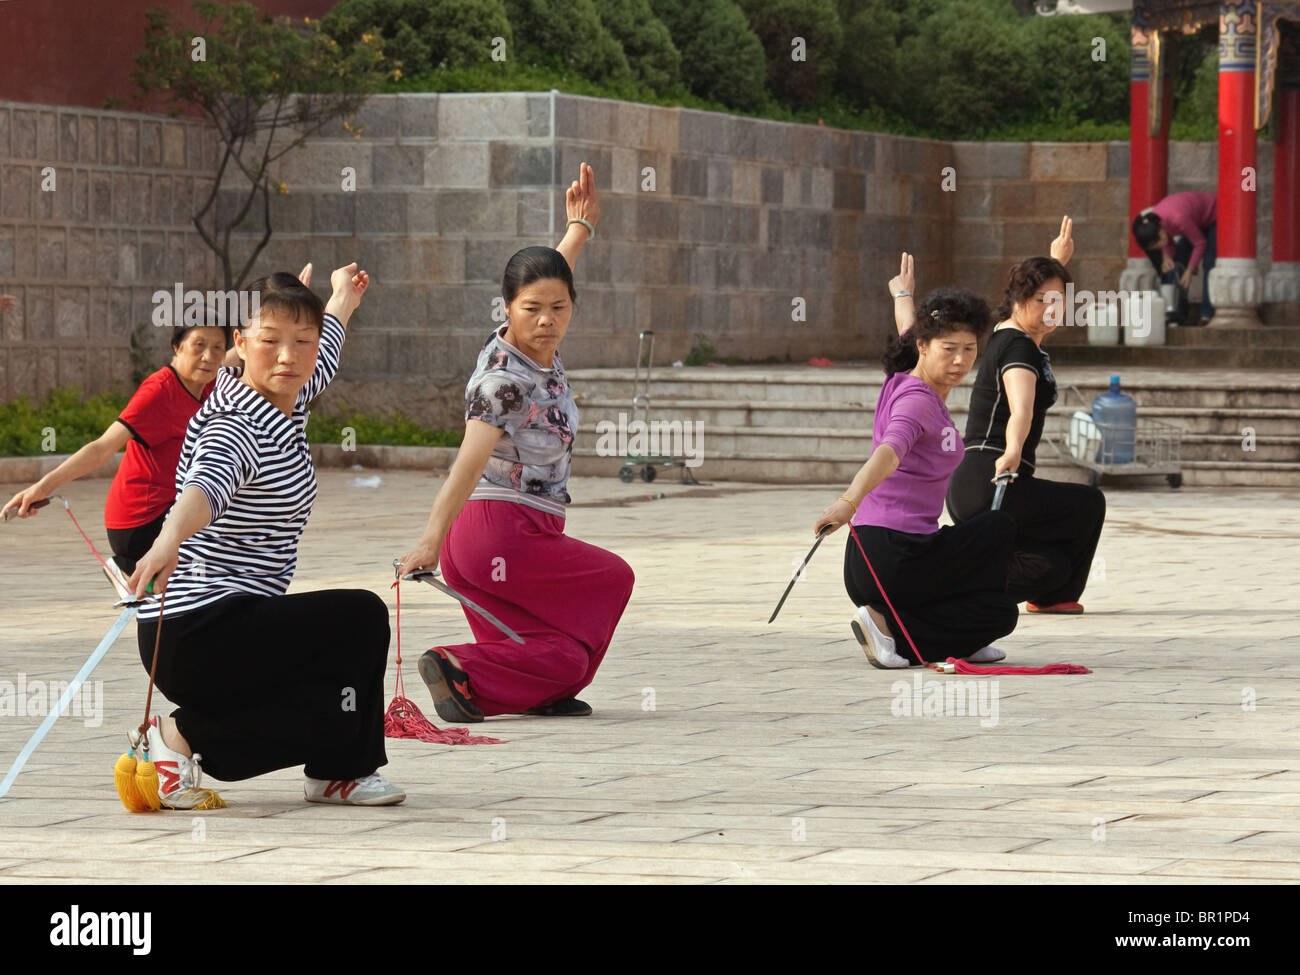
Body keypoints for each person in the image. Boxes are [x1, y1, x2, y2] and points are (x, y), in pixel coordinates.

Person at [124, 262, 406, 808]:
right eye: (270, 340)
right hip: (199, 632)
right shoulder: (237, 423)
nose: (288, 355)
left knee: (338, 693)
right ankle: (180, 740)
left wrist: (341, 300)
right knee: (360, 619)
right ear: (241, 340)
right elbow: (206, 486)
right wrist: (168, 539)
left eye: (303, 340)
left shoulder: (287, 391)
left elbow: (318, 360)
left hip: (229, 624)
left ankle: (336, 770)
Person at [397, 162, 635, 720]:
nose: (546, 320)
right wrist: (429, 540)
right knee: (613, 579)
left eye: (559, 308)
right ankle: (468, 664)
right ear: (507, 308)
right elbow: (467, 462)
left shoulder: (519, 343)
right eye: (531, 310)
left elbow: (549, 275)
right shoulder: (503, 382)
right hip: (500, 535)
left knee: (558, 655)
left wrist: (580, 229)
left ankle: (470, 677)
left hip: (490, 543)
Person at [814, 284, 1018, 669]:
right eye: (949, 349)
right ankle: (886, 627)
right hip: (895, 557)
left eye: (969, 349)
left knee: (989, 566)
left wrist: (902, 294)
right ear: (924, 347)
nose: (960, 360)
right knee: (998, 543)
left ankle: (936, 632)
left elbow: (909, 328)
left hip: (875, 558)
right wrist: (847, 502)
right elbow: (888, 454)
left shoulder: (903, 376)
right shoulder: (917, 401)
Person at [3, 318, 232, 585]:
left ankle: (144, 579)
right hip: (140, 520)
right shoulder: (159, 391)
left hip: (171, 508)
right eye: (199, 345)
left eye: (218, 347)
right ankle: (134, 573)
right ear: (177, 347)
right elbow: (102, 448)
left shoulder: (209, 383)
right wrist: (41, 488)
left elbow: (244, 350)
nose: (209, 356)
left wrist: (292, 303)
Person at [944, 254, 1107, 614]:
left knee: (1051, 565)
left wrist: (1057, 258)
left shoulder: (1010, 332)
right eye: (1042, 301)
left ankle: (1045, 594)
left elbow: (1031, 278)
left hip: (972, 486)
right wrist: (1014, 449)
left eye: (1059, 301)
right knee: (1088, 504)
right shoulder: (1018, 347)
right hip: (994, 478)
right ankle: (959, 586)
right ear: (1019, 299)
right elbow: (1022, 408)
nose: (1052, 309)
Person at [1132, 191, 1217, 326]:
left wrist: (1190, 269)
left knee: (1210, 263)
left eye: (1157, 245)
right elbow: (1168, 240)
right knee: (1176, 263)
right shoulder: (1156, 222)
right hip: (1195, 222)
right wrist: (1166, 256)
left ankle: (1207, 314)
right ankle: (1175, 314)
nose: (1160, 248)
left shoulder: (1178, 218)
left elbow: (1200, 243)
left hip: (1213, 217)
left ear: (1159, 233)